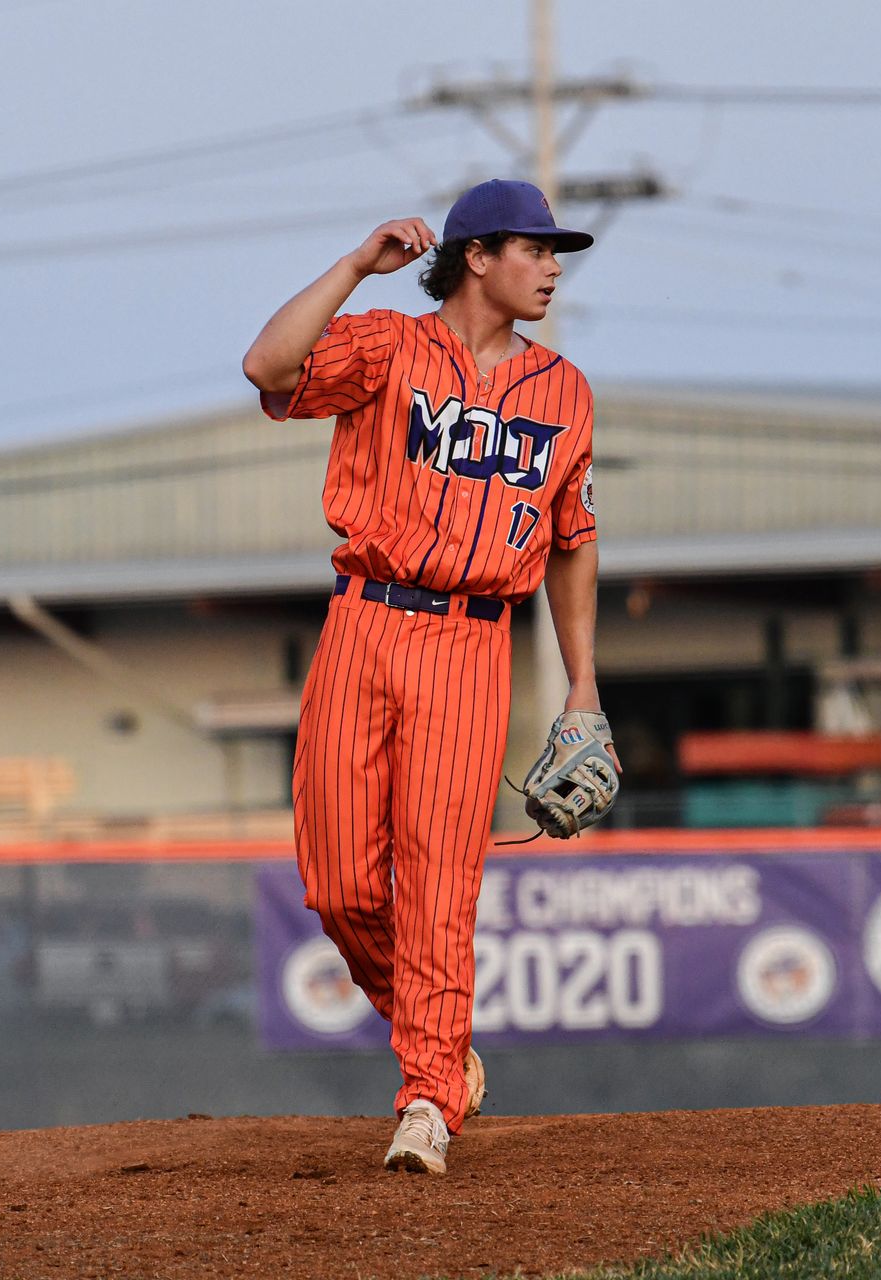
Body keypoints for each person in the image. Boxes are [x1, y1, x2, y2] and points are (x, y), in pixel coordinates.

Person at [242, 179, 611, 1175]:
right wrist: (359, 261)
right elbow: (266, 363)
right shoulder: (383, 346)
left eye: (554, 251)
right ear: (479, 255)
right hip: (363, 621)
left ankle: (426, 1097)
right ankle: (438, 1039)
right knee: (341, 883)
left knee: (441, 883)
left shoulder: (565, 391)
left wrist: (583, 683)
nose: (552, 266)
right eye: (536, 248)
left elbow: (572, 541)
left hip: (471, 642)